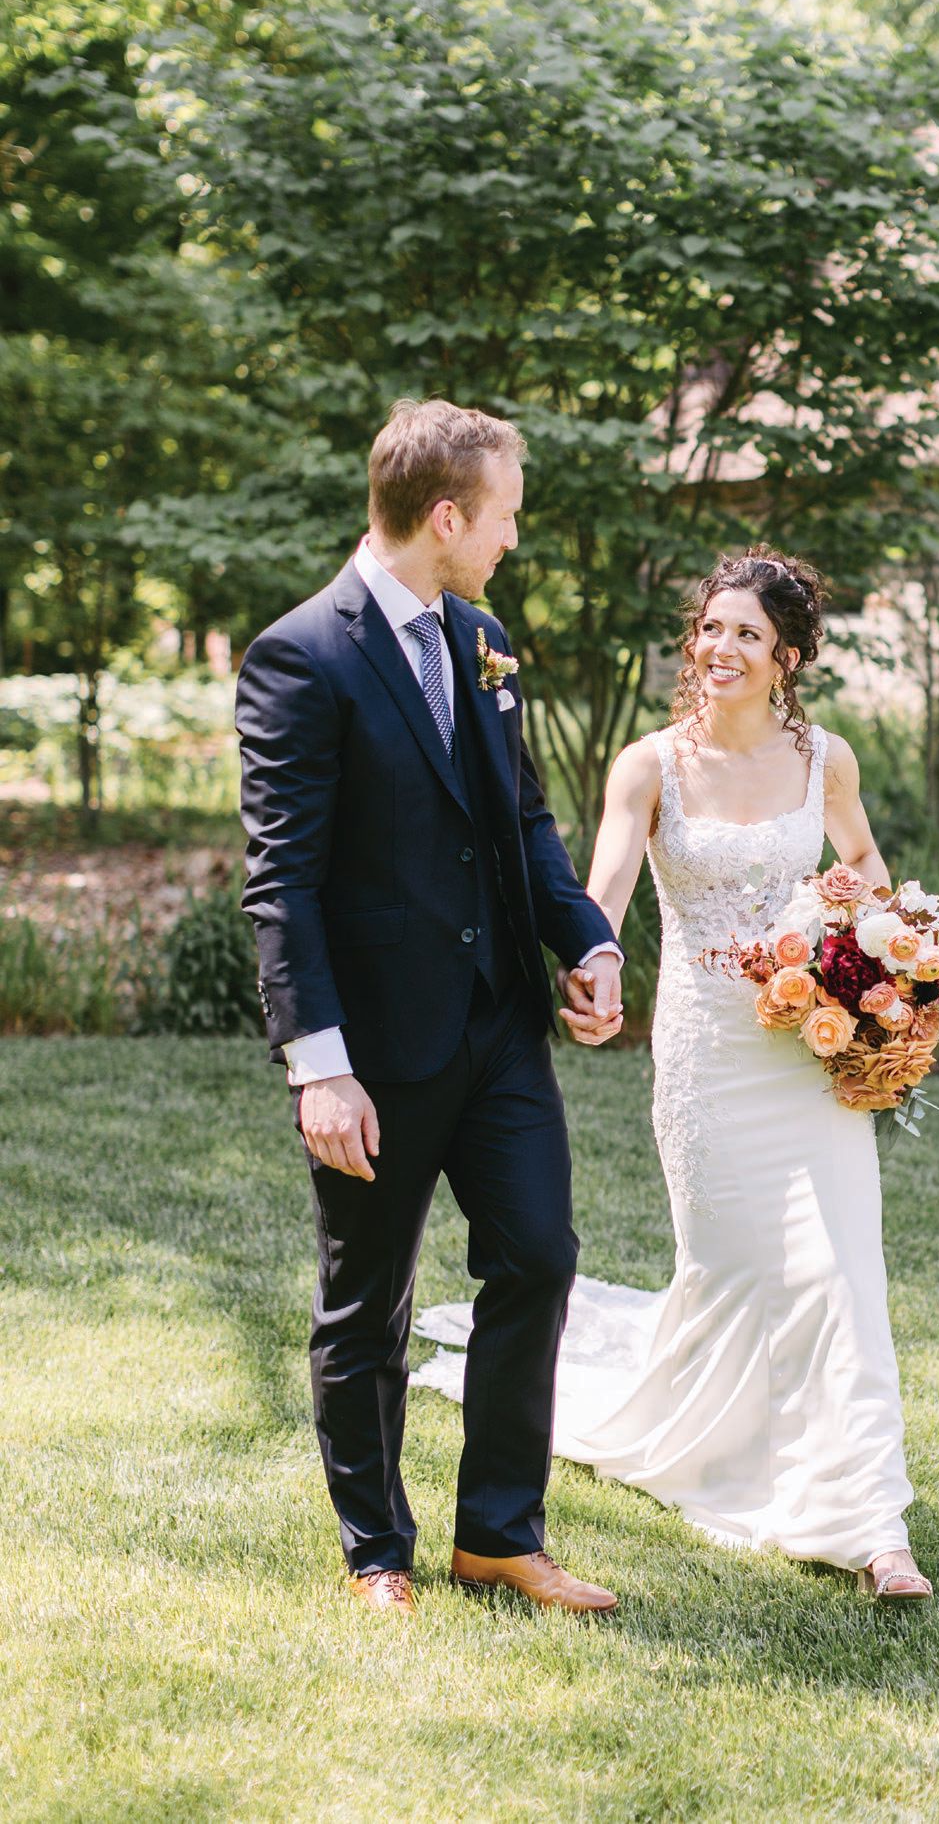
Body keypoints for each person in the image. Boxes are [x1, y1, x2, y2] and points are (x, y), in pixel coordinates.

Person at [415, 546, 933, 1603]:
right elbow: (601, 896)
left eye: (748, 633)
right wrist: (594, 975)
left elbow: (869, 874)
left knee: (843, 1270)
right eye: (711, 628)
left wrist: (889, 966)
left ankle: (872, 1524)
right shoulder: (650, 765)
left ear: (787, 657)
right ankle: (736, 1441)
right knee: (737, 1270)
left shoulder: (824, 759)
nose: (722, 648)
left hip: (810, 1055)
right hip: (704, 1053)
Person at [235, 398, 625, 1620]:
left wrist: (589, 937)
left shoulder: (482, 635)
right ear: (446, 515)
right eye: (503, 515)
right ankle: (376, 1551)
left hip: (499, 1022)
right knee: (368, 1301)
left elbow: (521, 819)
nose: (512, 537)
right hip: (375, 1048)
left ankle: (500, 1534)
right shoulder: (301, 656)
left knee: (542, 1256)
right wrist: (319, 1065)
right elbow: (282, 881)